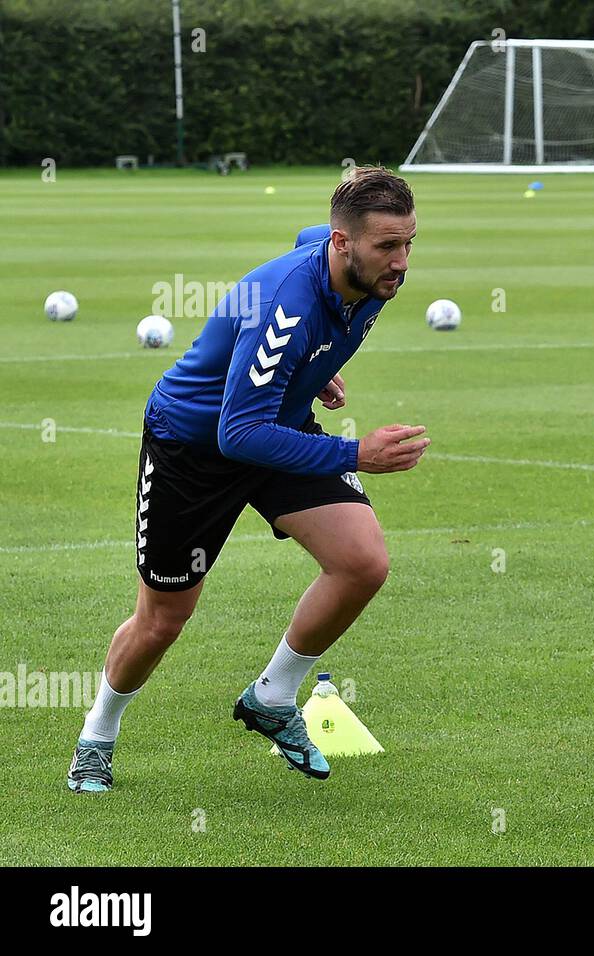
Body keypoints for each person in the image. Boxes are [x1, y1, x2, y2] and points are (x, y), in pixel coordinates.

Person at [67, 167, 430, 791]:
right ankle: (97, 735)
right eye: (387, 247)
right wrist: (354, 453)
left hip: (276, 425)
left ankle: (272, 696)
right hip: (195, 448)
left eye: (409, 243)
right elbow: (238, 434)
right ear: (344, 245)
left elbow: (302, 235)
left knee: (361, 562)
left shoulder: (353, 263)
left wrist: (310, 369)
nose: (401, 262)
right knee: (163, 618)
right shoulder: (284, 313)